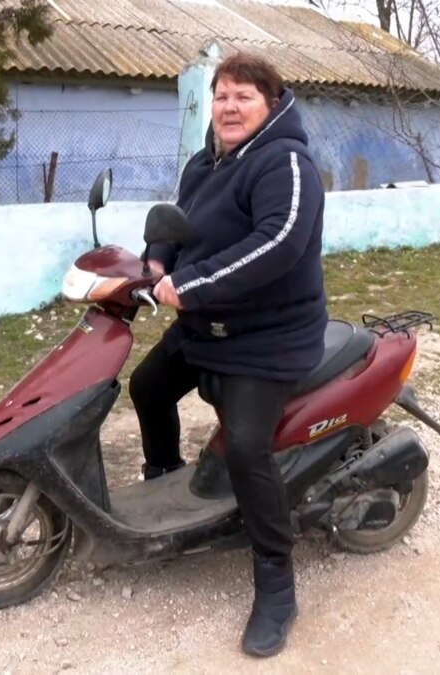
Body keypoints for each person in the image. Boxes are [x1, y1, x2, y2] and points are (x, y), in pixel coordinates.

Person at [129, 52, 328, 657]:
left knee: (245, 447)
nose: (229, 107)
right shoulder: (207, 159)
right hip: (207, 326)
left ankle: (276, 582)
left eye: (243, 96)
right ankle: (169, 489)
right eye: (221, 96)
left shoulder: (286, 164)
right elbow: (181, 219)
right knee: (148, 387)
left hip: (267, 338)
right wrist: (157, 260)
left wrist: (186, 286)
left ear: (270, 103)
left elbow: (277, 245)